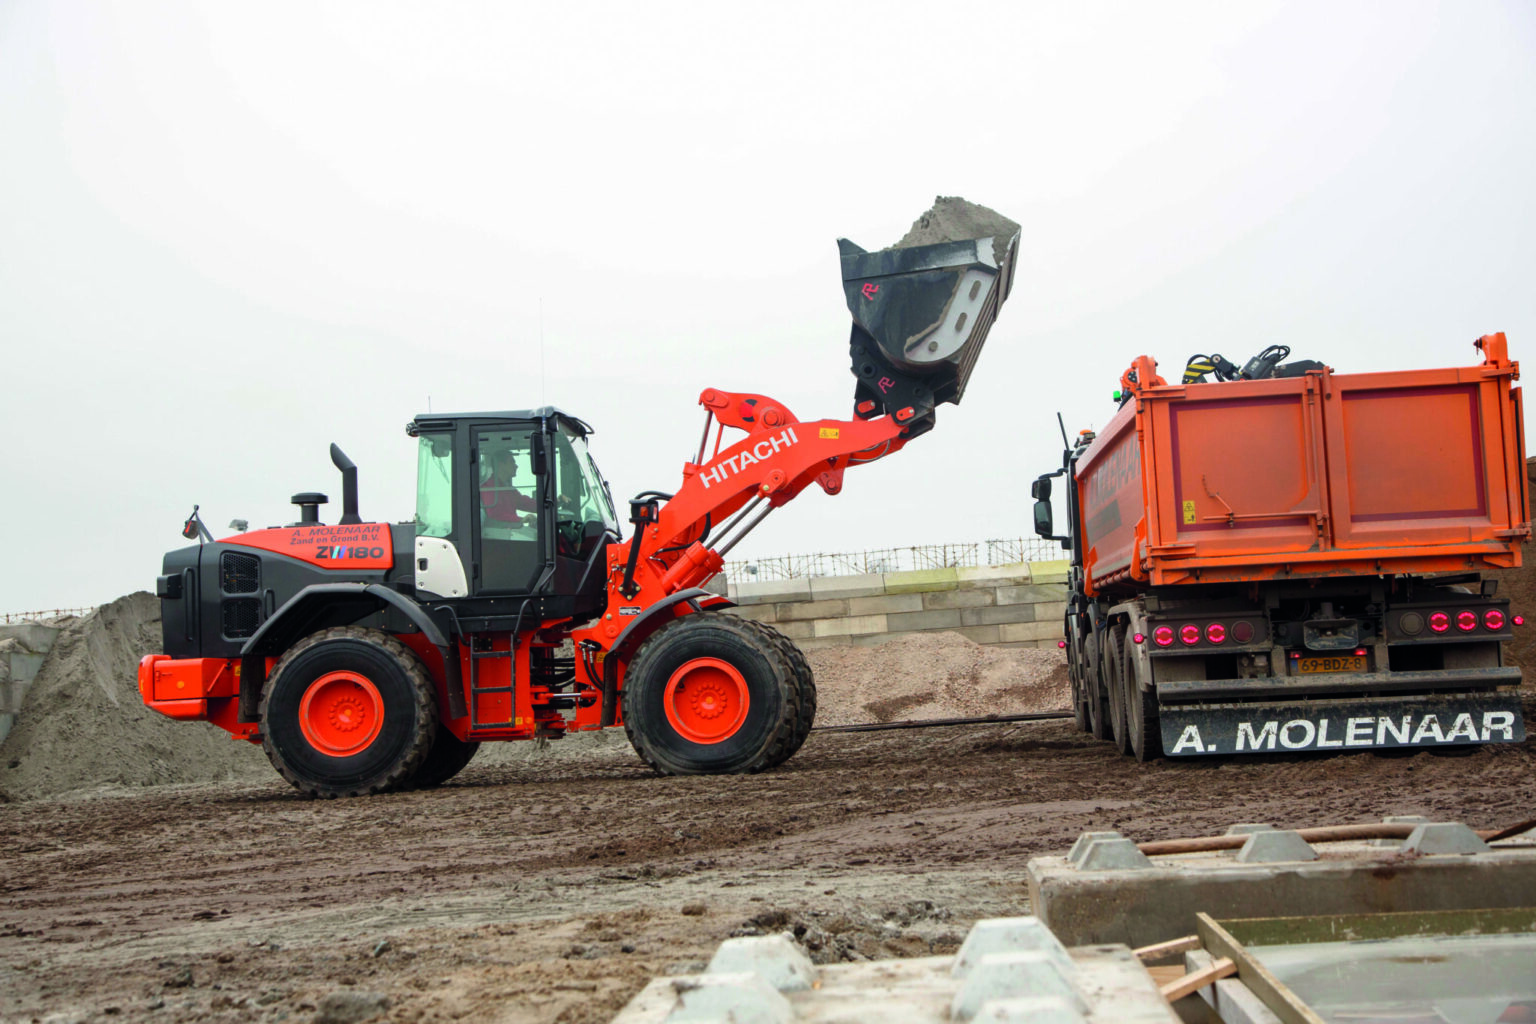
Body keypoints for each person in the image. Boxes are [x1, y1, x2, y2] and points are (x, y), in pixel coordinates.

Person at [480, 449, 538, 526]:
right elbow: (494, 515)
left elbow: (526, 503)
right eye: (512, 462)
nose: (516, 466)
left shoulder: (508, 490)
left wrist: (552, 503)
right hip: (496, 534)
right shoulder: (487, 488)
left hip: (510, 531)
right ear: (500, 465)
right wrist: (521, 519)